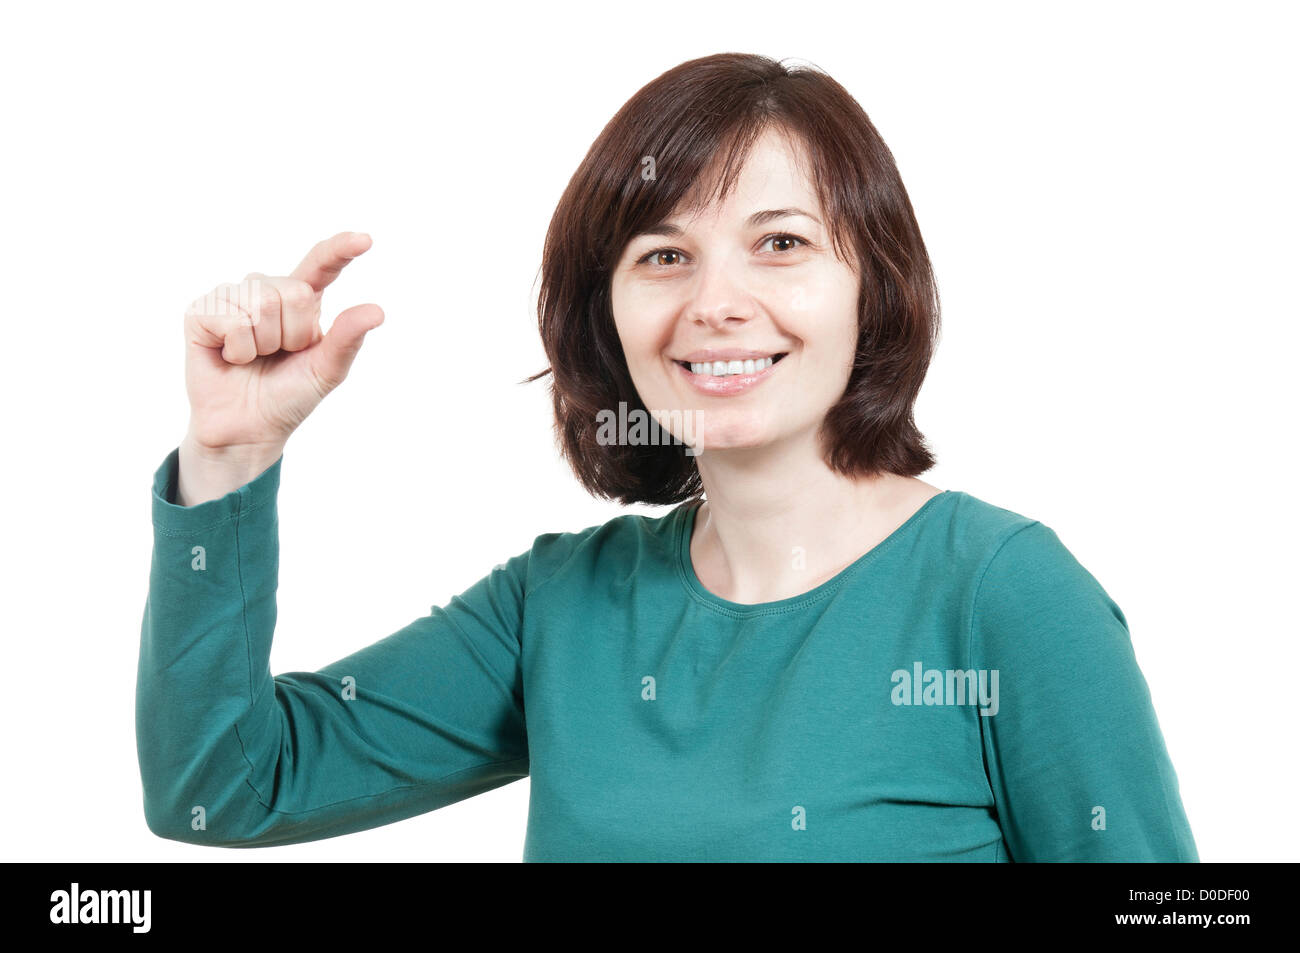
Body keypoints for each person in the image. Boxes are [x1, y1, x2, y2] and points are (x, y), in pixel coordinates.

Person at [137, 52, 1198, 861]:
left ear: (871, 283)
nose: (715, 303)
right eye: (663, 255)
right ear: (608, 311)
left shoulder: (1006, 595)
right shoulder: (556, 610)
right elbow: (222, 784)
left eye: (780, 242)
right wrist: (230, 456)